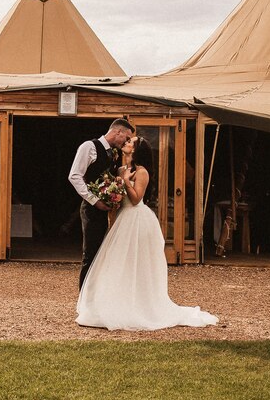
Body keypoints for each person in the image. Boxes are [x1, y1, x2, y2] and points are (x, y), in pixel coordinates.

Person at [76, 136, 219, 331]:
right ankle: (113, 302)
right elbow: (119, 200)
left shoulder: (141, 172)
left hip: (137, 219)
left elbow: (135, 200)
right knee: (116, 261)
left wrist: (126, 183)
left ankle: (139, 305)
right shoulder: (120, 169)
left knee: (134, 261)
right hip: (122, 220)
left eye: (130, 142)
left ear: (136, 150)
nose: (126, 143)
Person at [68, 118, 135, 290]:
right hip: (91, 209)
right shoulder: (89, 147)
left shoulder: (113, 152)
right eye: (126, 137)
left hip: (106, 210)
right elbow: (75, 176)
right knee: (90, 254)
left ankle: (96, 295)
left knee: (101, 254)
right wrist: (94, 200)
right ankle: (84, 299)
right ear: (117, 131)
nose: (126, 142)